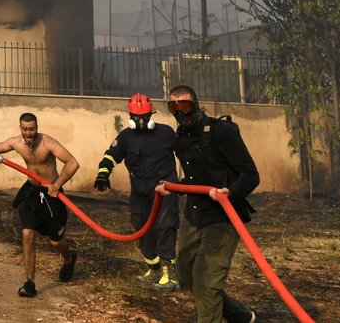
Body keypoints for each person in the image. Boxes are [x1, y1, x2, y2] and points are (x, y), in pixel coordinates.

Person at [154, 85, 259, 323]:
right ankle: (240, 316)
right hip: (194, 215)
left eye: (185, 105)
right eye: (174, 106)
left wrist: (229, 192)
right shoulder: (180, 139)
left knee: (205, 282)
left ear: (197, 104)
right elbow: (194, 178)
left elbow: (251, 175)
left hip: (223, 217)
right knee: (187, 276)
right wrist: (171, 187)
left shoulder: (221, 131)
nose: (180, 112)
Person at [0, 112, 80, 298]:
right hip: (31, 193)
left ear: (37, 127)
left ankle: (69, 259)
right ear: (20, 128)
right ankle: (30, 283)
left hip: (52, 194)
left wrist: (57, 185)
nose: (29, 133)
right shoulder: (16, 142)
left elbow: (73, 163)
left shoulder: (48, 143)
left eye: (32, 129)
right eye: (25, 129)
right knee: (27, 233)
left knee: (56, 241)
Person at [93, 93, 180, 290]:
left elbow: (185, 152)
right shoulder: (125, 137)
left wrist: (186, 182)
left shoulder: (166, 133)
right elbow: (111, 156)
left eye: (144, 117)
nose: (140, 121)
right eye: (136, 117)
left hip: (165, 190)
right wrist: (103, 174)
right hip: (140, 191)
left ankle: (170, 274)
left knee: (166, 225)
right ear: (130, 116)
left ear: (151, 115)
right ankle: (154, 268)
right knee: (140, 226)